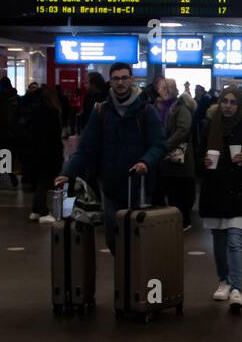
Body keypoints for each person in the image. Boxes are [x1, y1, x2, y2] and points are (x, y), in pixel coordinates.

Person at [55, 61, 166, 254]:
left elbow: (159, 144)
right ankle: (125, 279)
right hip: (111, 185)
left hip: (139, 187)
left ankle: (135, 279)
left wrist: (145, 162)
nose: (120, 83)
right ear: (110, 82)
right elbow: (86, 148)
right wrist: (67, 172)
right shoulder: (101, 111)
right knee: (114, 238)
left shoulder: (146, 110)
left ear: (131, 79)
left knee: (137, 238)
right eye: (116, 79)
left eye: (124, 78)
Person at [199, 86, 242, 313]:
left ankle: (237, 288)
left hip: (239, 191)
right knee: (219, 241)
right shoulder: (209, 127)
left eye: (233, 102)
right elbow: (196, 154)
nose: (228, 106)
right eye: (225, 101)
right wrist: (202, 161)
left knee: (235, 241)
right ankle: (223, 281)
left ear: (241, 105)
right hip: (214, 190)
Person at [156, 79, 196, 229]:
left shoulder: (180, 107)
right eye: (161, 88)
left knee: (180, 190)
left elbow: (183, 130)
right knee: (169, 189)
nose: (162, 91)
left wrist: (166, 145)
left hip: (179, 157)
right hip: (166, 158)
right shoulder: (159, 106)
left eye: (164, 88)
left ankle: (183, 220)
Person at [27, 84, 66, 224]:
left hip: (35, 150)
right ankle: (42, 211)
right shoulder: (53, 112)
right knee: (45, 181)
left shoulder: (34, 110)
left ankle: (36, 210)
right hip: (49, 152)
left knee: (40, 181)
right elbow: (54, 137)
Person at [0, 77, 20, 189]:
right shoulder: (16, 98)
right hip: (12, 132)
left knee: (2, 154)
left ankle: (0, 177)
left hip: (2, 131)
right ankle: (9, 175)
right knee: (9, 154)